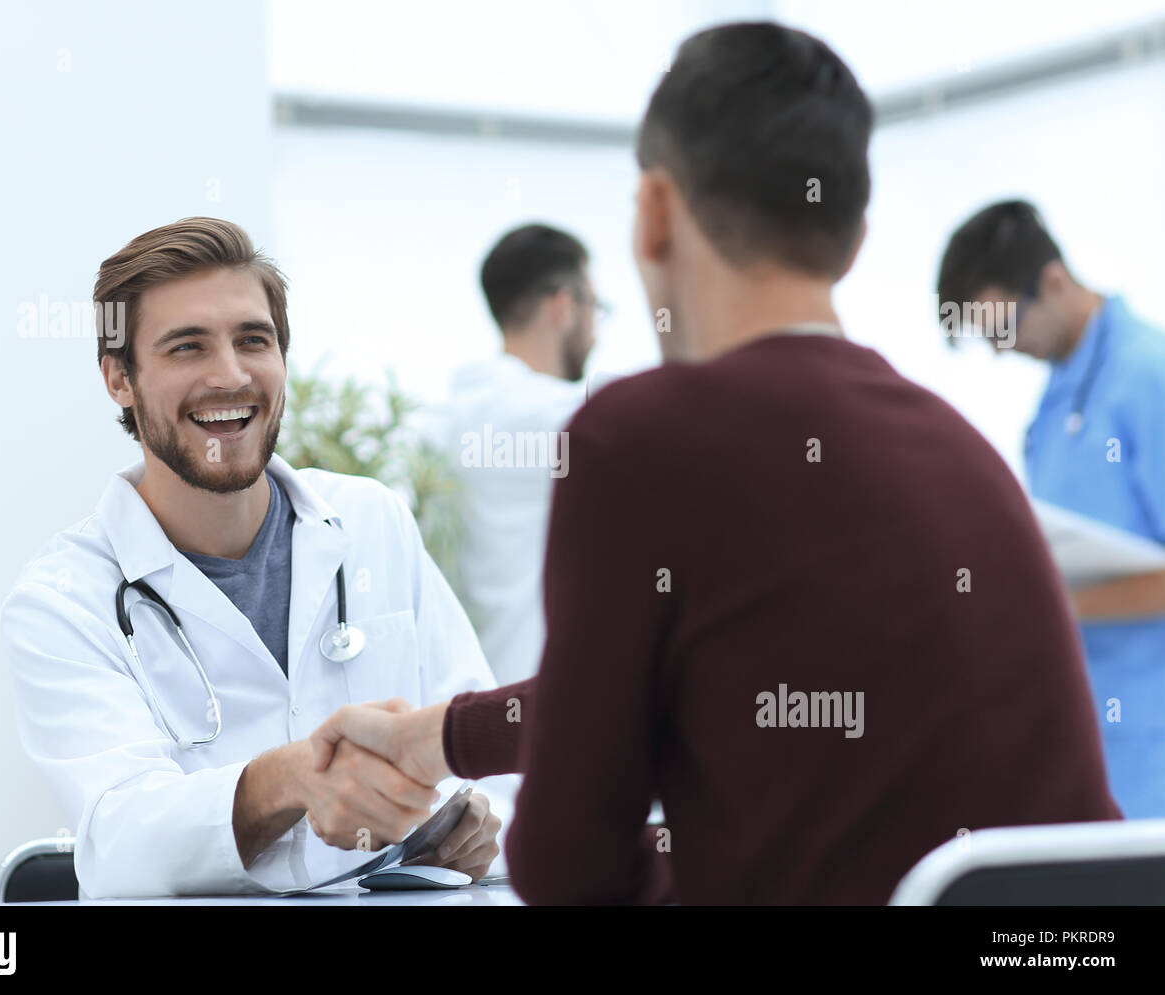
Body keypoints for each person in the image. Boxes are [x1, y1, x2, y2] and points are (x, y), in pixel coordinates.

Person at [310, 21, 1120, 905]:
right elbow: (660, 695)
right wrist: (443, 736)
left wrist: (686, 849)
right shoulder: (963, 450)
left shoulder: (637, 437)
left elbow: (571, 865)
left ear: (656, 213)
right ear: (853, 239)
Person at [0, 218, 513, 899]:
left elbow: (486, 759)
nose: (232, 375)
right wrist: (287, 778)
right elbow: (120, 841)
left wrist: (477, 822)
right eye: (187, 347)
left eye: (254, 340)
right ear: (119, 379)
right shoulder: (63, 598)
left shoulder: (370, 522)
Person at [938, 200, 1165, 818]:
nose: (1001, 351)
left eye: (1003, 328)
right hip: (1098, 752)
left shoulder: (1149, 375)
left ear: (1054, 282)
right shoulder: (1053, 406)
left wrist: (1057, 607)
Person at [442, 224, 603, 683]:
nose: (597, 332)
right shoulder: (550, 414)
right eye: (596, 306)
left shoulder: (452, 412)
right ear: (564, 306)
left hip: (465, 690)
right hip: (531, 697)